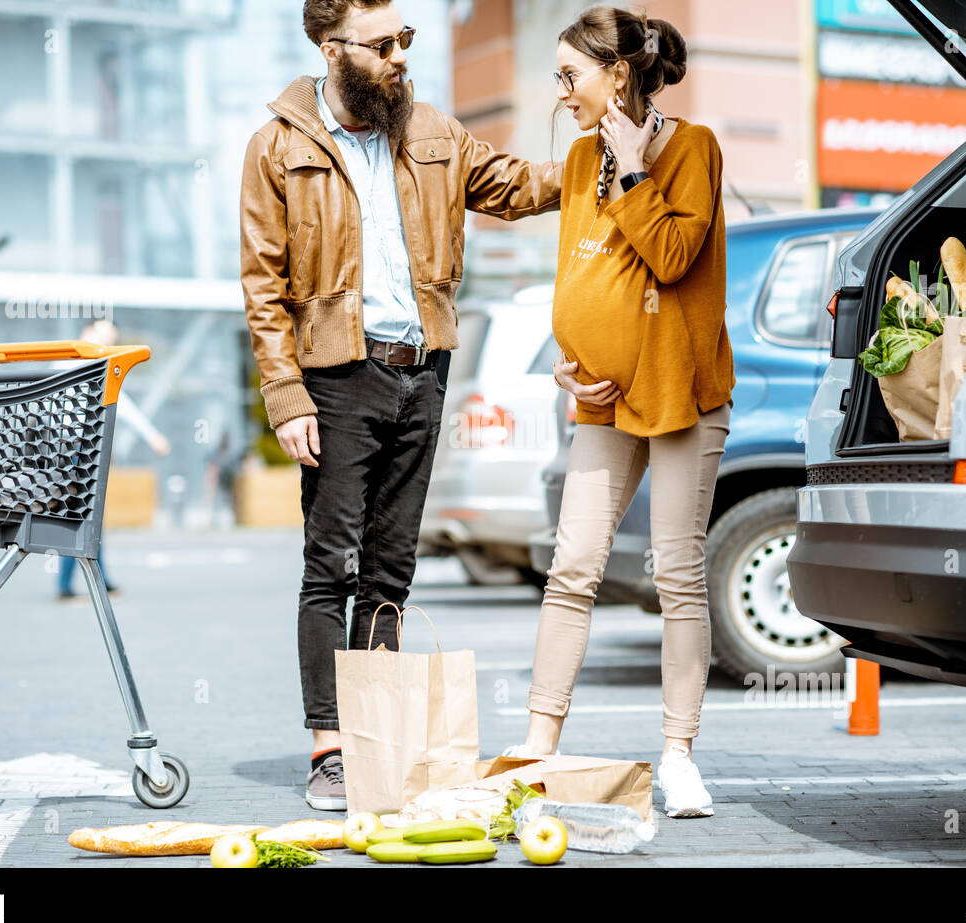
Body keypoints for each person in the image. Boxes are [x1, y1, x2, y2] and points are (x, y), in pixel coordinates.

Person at [240, 0, 562, 810]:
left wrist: (608, 153)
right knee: (332, 565)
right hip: (337, 377)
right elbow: (263, 287)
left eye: (405, 40)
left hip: (424, 371)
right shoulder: (277, 146)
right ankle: (329, 747)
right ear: (331, 47)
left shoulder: (433, 132)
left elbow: (519, 185)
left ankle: (374, 736)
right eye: (381, 44)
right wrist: (285, 394)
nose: (398, 56)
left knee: (392, 568)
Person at [505, 6, 734, 819]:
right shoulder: (577, 161)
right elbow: (579, 275)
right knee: (571, 568)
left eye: (571, 75)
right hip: (599, 401)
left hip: (680, 392)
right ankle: (536, 748)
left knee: (677, 574)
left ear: (618, 74)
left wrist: (635, 170)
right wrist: (568, 363)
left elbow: (671, 256)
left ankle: (678, 756)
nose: (561, 90)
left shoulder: (693, 148)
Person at [55, 319, 172, 601]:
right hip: (71, 453)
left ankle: (95, 578)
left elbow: (123, 404)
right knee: (79, 517)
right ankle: (75, 582)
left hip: (84, 451)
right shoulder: (70, 364)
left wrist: (151, 435)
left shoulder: (98, 366)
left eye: (111, 339)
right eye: (103, 335)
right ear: (87, 332)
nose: (107, 343)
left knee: (87, 517)